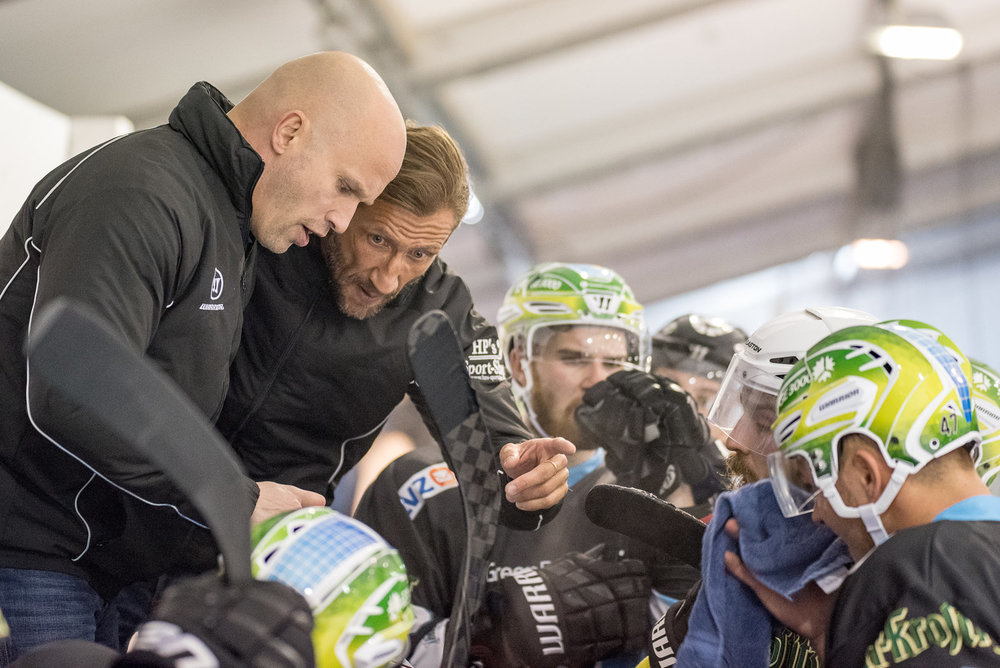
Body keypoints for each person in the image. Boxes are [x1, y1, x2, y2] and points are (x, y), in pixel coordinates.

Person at [0, 51, 406, 662]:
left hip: (93, 564)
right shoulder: (141, 190)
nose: (342, 220)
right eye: (346, 188)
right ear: (290, 132)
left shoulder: (230, 217)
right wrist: (232, 497)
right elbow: (74, 388)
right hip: (28, 553)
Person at [356, 262, 718, 667]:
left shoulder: (648, 495)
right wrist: (497, 637)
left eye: (614, 362)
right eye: (574, 357)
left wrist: (689, 513)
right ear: (517, 361)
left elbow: (690, 653)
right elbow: (367, 648)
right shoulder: (420, 485)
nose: (597, 379)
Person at [216, 121, 573, 530]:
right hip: (164, 493)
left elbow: (494, 457)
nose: (387, 279)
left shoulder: (439, 313)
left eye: (420, 254)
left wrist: (527, 482)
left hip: (275, 539)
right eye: (378, 240)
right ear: (348, 200)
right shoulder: (265, 228)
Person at [728, 321, 1000, 667]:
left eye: (815, 486)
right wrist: (832, 636)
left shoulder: (911, 575)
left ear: (866, 474)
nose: (817, 514)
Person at [640, 306, 877, 668]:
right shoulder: (749, 552)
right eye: (741, 411)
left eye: (765, 422)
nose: (733, 439)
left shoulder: (910, 580)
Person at [649, 314, 747, 513]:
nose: (681, 409)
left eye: (705, 400)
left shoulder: (748, 510)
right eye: (669, 389)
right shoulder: (611, 465)